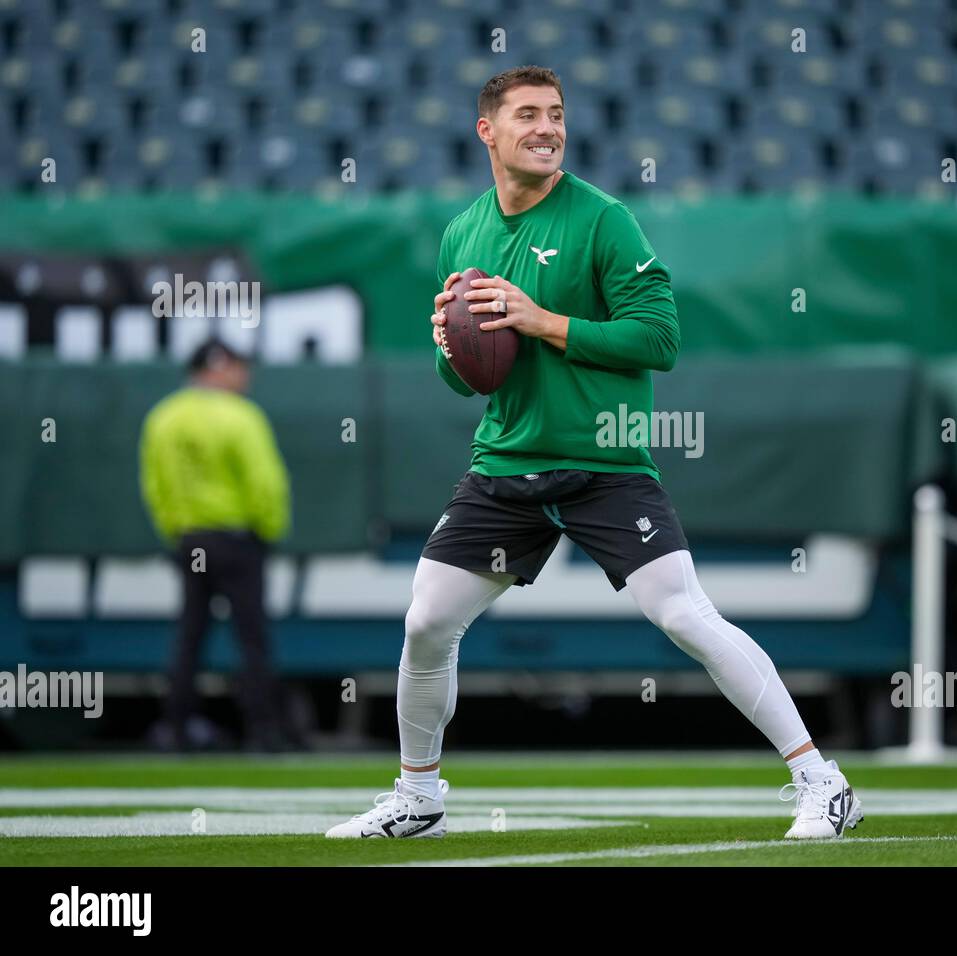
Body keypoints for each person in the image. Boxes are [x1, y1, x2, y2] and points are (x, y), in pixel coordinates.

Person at [326, 66, 862, 840]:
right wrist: (448, 346)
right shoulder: (464, 230)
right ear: (488, 131)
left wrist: (542, 320)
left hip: (603, 464)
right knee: (425, 625)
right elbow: (463, 378)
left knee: (682, 615)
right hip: (506, 464)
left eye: (557, 114)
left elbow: (661, 340)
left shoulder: (604, 220)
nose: (547, 128)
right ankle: (419, 797)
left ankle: (824, 782)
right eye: (528, 115)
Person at [139, 338, 292, 751]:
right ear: (219, 367)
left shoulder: (164, 417)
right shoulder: (240, 416)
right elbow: (265, 482)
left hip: (191, 541)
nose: (245, 376)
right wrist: (269, 529)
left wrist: (176, 530)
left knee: (190, 635)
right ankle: (263, 732)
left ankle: (175, 727)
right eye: (239, 367)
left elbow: (156, 485)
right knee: (252, 637)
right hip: (237, 540)